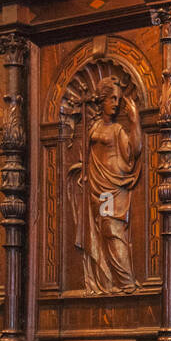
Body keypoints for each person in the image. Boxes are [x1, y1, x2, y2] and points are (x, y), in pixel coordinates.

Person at [72, 77, 142, 293]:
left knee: (112, 229)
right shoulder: (93, 126)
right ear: (101, 100)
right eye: (112, 98)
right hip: (97, 186)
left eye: (118, 99)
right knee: (101, 230)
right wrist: (82, 171)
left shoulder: (118, 130)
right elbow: (87, 154)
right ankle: (106, 281)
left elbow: (134, 150)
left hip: (114, 185)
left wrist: (134, 121)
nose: (116, 103)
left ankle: (127, 282)